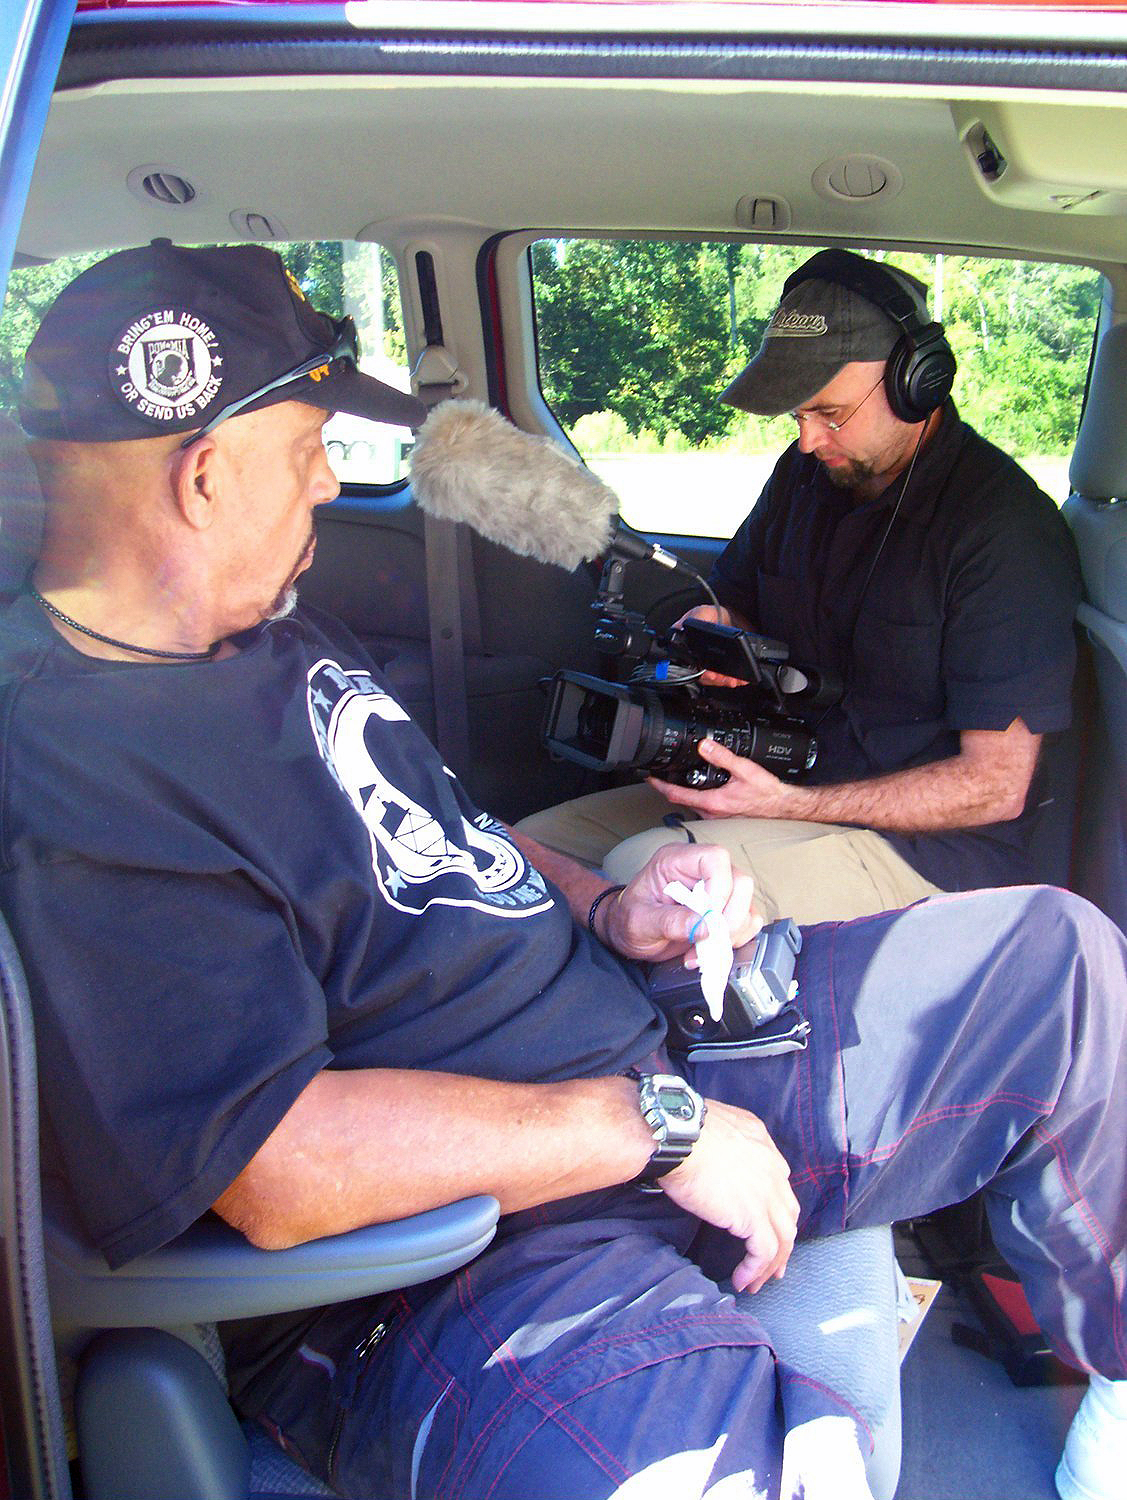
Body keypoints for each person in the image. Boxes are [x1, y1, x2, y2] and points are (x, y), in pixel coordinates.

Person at [0, 241, 1122, 1500]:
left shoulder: (268, 630)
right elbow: (276, 1167)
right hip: (470, 1245)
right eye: (315, 445)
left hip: (643, 1041)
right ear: (204, 477)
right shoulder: (79, 770)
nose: (330, 483)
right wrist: (650, 1130)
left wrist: (610, 907)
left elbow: (445, 843)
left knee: (1063, 967)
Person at [517, 250, 1082, 925]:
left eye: (830, 412)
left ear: (916, 381)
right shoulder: (808, 475)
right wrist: (713, 625)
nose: (809, 440)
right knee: (522, 855)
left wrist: (789, 806)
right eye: (795, 417)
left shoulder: (1000, 532)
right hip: (778, 785)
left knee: (651, 888)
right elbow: (735, 598)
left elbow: (992, 787)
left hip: (924, 850)